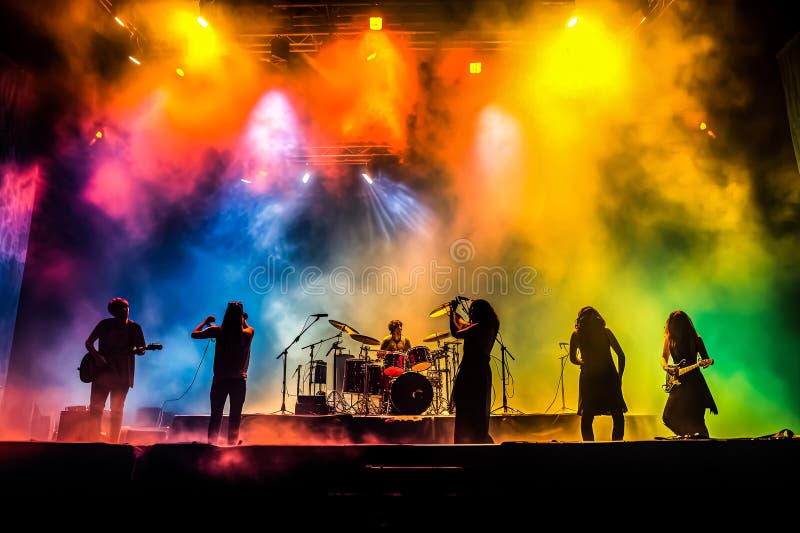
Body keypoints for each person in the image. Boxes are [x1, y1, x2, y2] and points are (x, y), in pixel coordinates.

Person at [84, 297, 147, 443]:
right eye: (121, 308)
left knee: (117, 409)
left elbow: (142, 349)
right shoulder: (104, 325)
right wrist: (98, 357)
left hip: (122, 375)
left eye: (126, 307)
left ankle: (114, 444)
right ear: (113, 312)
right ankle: (93, 442)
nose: (125, 310)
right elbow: (88, 343)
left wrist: (140, 350)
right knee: (96, 408)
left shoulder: (134, 328)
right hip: (102, 373)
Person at [191, 301, 254, 445]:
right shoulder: (248, 333)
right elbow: (247, 327)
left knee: (216, 416)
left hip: (220, 380)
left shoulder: (218, 331)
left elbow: (194, 334)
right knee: (235, 417)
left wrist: (206, 321)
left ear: (226, 315)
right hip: (238, 381)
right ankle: (232, 445)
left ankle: (211, 445)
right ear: (240, 316)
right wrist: (244, 320)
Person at [569, 306, 627, 441]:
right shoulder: (606, 332)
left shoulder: (577, 334)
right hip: (609, 376)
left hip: (589, 377)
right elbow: (621, 355)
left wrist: (583, 362)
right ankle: (617, 445)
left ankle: (589, 447)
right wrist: (619, 377)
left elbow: (572, 359)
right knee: (617, 414)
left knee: (588, 415)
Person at [448, 298, 499, 444]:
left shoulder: (478, 327)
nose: (471, 314)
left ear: (478, 313)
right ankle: (479, 440)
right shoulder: (490, 326)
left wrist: (452, 312)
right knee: (479, 409)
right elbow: (465, 325)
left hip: (471, 372)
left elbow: (456, 332)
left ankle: (465, 443)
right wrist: (458, 318)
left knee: (465, 407)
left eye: (473, 311)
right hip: (482, 371)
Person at [661, 310, 717, 438]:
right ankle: (688, 436)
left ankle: (697, 438)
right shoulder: (669, 339)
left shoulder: (696, 339)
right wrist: (666, 367)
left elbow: (705, 359)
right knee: (668, 416)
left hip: (695, 383)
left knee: (697, 420)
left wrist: (706, 362)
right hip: (678, 383)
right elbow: (663, 357)